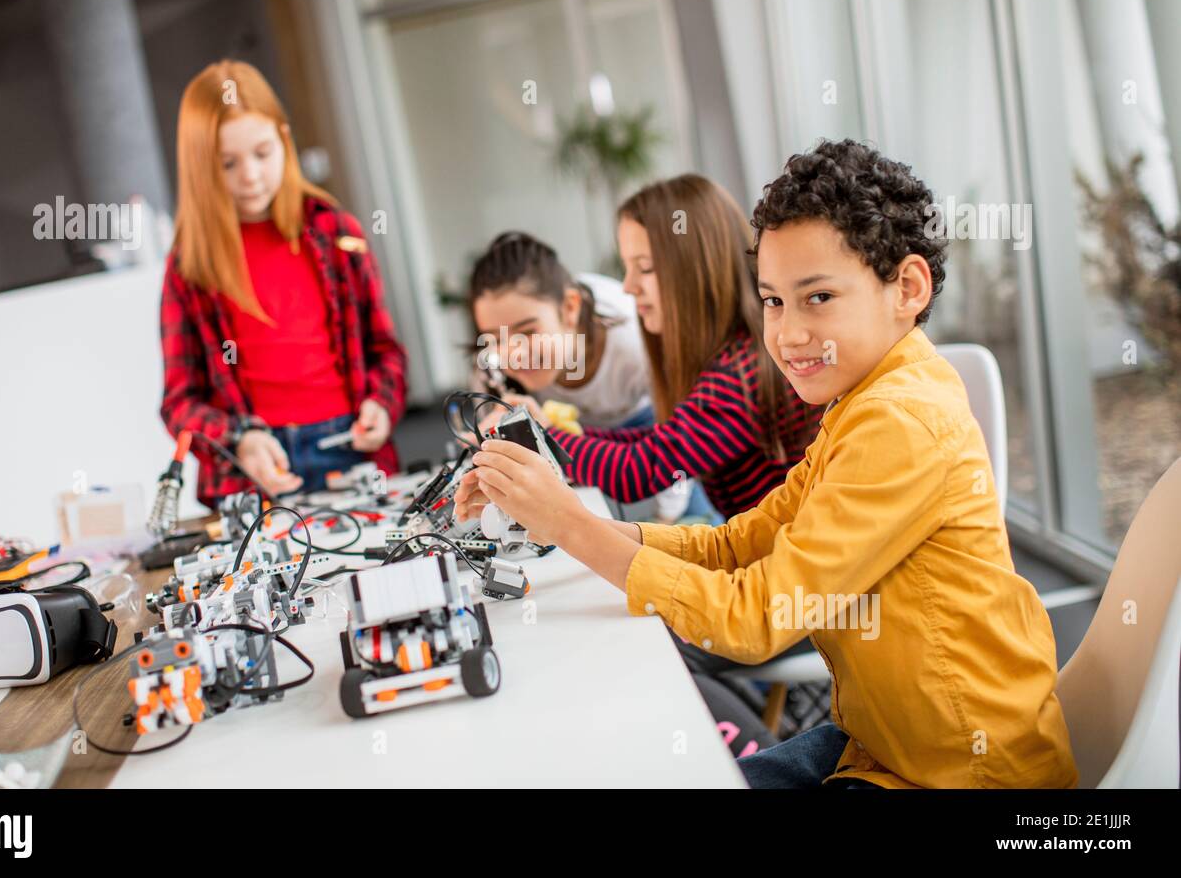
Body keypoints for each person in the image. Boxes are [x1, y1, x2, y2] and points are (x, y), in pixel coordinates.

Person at [456, 140, 1077, 789]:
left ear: (908, 288)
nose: (785, 334)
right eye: (774, 302)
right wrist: (559, 520)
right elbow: (738, 543)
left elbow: (757, 618)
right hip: (882, 740)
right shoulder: (857, 404)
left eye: (818, 298)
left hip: (958, 773)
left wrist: (569, 521)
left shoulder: (899, 421)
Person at [479, 175, 819, 524]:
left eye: (645, 268)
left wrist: (546, 438)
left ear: (697, 268)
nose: (628, 287)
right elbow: (657, 440)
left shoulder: (739, 373)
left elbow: (640, 469)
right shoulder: (729, 356)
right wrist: (548, 427)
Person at [159, 60, 407, 506]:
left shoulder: (337, 232)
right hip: (252, 477)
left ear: (284, 140)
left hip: (354, 455)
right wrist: (237, 440)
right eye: (227, 163)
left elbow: (386, 352)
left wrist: (381, 406)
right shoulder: (189, 266)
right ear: (199, 168)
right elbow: (179, 403)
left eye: (262, 153)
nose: (250, 176)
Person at [467, 231, 692, 521]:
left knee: (692, 524)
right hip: (559, 427)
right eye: (496, 338)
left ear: (570, 308)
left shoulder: (638, 339)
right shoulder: (491, 366)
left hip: (646, 421)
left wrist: (666, 523)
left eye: (527, 332)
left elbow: (674, 454)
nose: (514, 353)